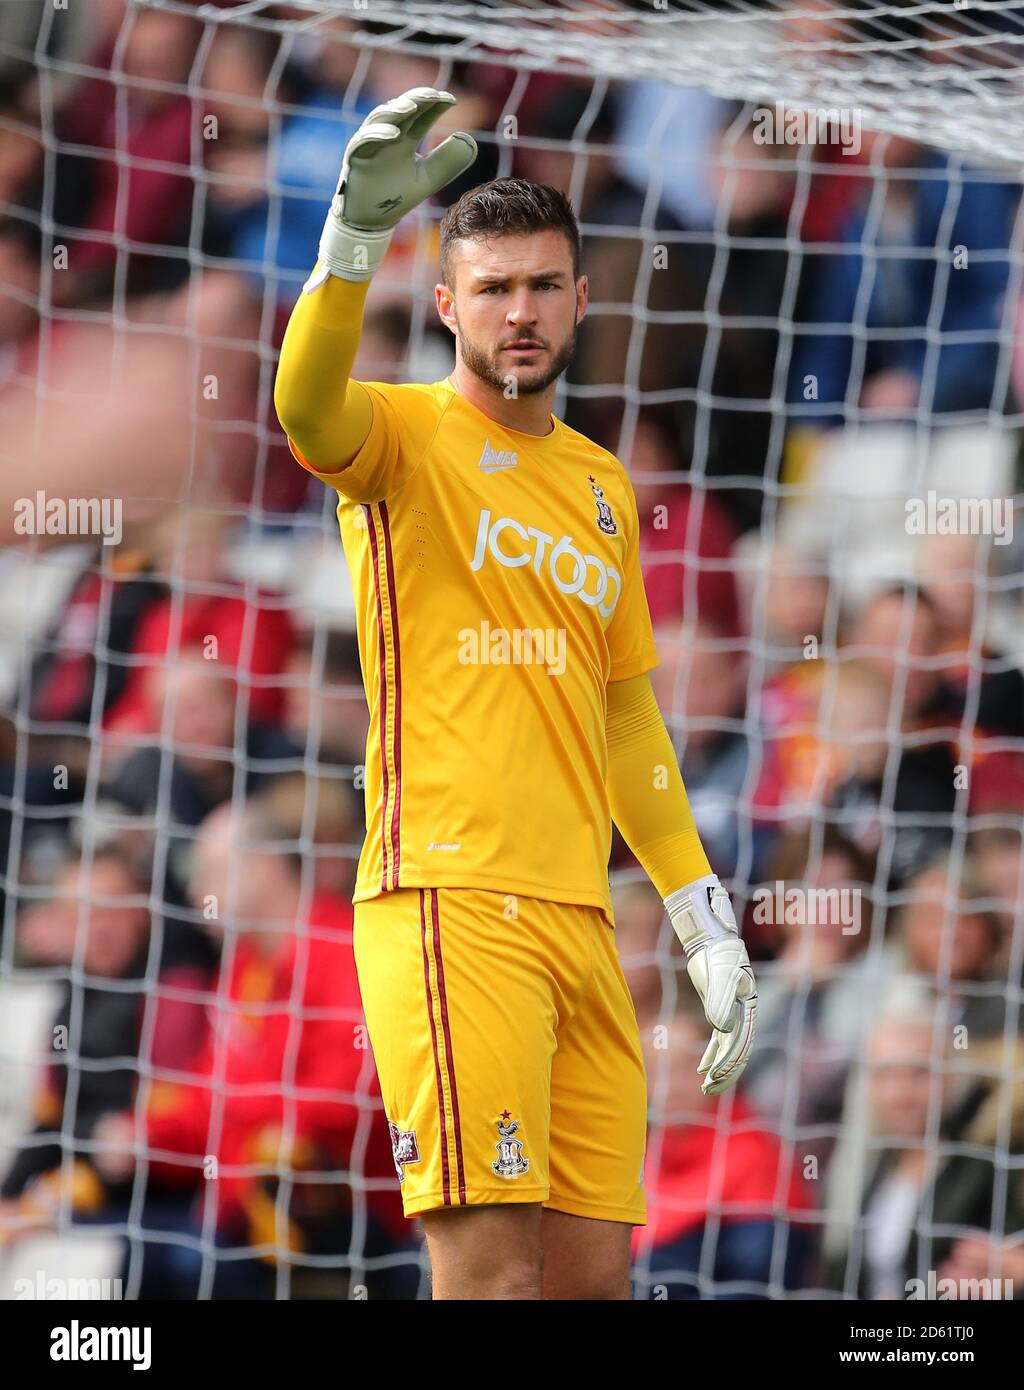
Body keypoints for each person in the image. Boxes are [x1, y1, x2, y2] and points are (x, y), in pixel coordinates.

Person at [273, 89, 757, 1301]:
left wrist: (697, 911)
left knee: (592, 1284)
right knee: (491, 1279)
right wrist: (348, 246)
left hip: (583, 922)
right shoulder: (400, 435)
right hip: (450, 896)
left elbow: (626, 714)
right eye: (492, 288)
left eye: (543, 285)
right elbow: (301, 411)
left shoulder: (599, 485)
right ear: (447, 305)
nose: (520, 311)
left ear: (581, 301)